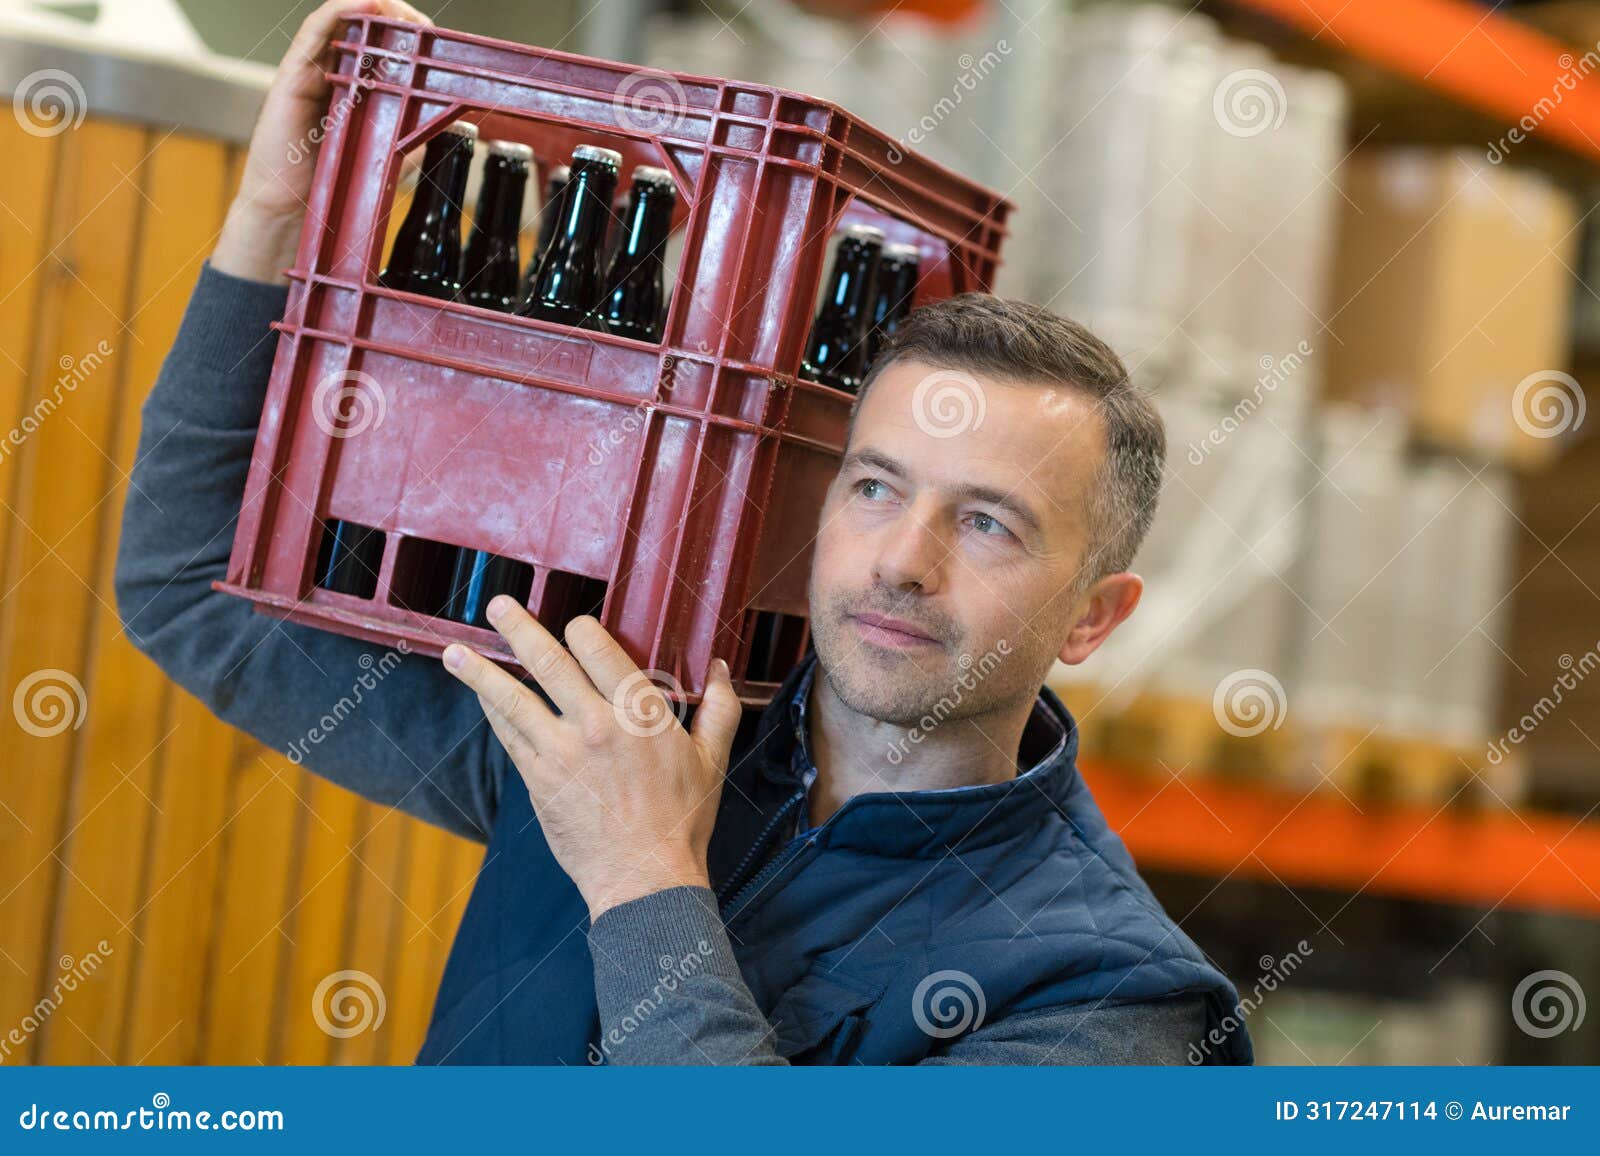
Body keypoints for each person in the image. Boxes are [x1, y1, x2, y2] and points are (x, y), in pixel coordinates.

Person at [114, 0, 1251, 1066]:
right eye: (873, 487)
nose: (904, 560)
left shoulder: (1110, 996)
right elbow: (190, 585)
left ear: (1095, 616)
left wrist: (644, 875)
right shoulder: (626, 727)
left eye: (989, 523)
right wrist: (272, 217)